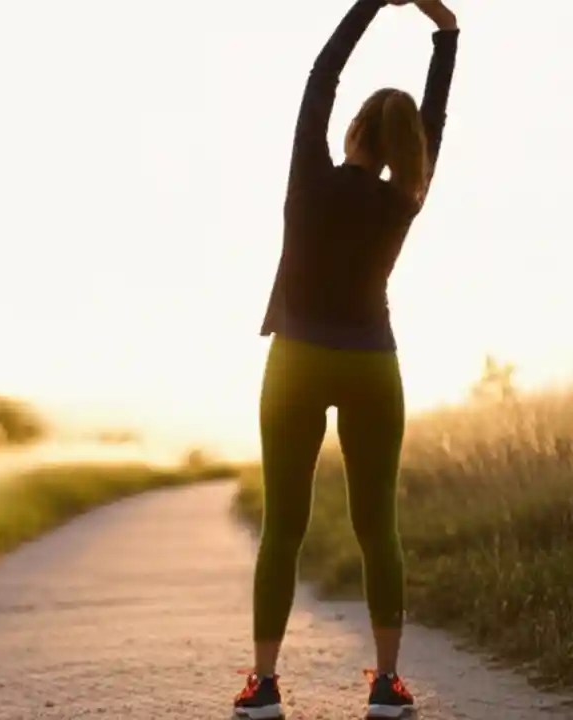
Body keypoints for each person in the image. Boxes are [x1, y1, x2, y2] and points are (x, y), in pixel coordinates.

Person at [232, 0, 459, 718]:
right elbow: (434, 119)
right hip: (371, 366)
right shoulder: (407, 196)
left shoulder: (310, 176)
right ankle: (388, 686)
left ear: (354, 129)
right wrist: (445, 32)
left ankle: (264, 686)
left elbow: (320, 76)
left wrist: (372, 2)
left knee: (283, 530)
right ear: (405, 146)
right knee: (376, 529)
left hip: (297, 362)